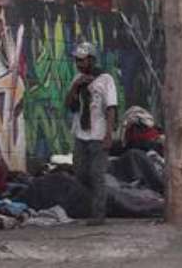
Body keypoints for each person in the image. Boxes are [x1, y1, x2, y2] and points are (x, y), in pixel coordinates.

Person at [65, 41, 117, 226]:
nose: (79, 64)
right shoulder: (77, 79)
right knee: (80, 173)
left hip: (98, 134)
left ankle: (98, 214)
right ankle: (97, 203)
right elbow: (69, 106)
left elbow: (111, 108)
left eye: (82, 60)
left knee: (97, 174)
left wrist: (109, 134)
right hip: (81, 134)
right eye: (77, 61)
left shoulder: (105, 79)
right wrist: (75, 87)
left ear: (92, 60)